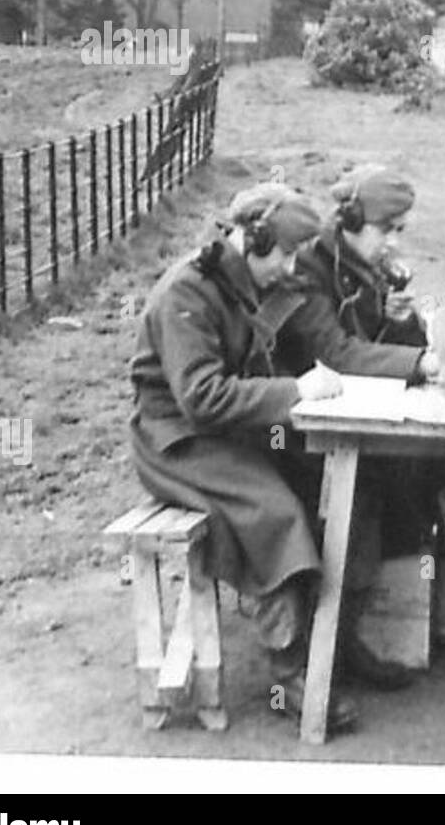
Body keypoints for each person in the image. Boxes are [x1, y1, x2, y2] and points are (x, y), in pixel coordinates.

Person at [128, 182, 425, 732]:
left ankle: (336, 640)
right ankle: (289, 673)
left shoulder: (237, 283)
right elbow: (202, 398)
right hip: (179, 443)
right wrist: (294, 393)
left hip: (233, 430)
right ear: (253, 238)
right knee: (274, 511)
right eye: (285, 254)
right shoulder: (186, 296)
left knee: (343, 478)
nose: (291, 267)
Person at [280, 166, 445, 566]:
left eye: (399, 231)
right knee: (398, 452)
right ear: (353, 222)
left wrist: (392, 319)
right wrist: (421, 363)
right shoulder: (307, 268)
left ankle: (431, 553)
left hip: (344, 400)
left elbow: (366, 338)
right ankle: (394, 573)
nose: (392, 242)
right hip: (292, 419)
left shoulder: (357, 261)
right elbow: (336, 353)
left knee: (431, 443)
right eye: (386, 230)